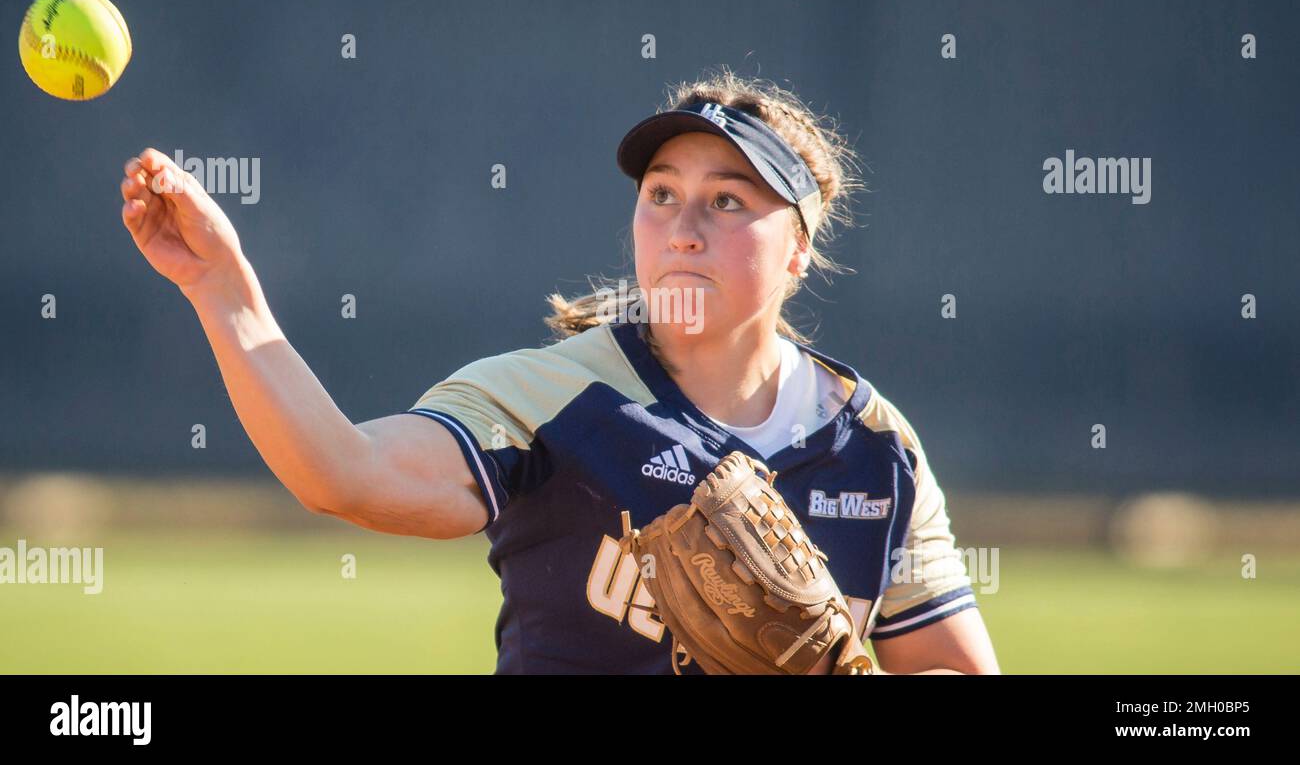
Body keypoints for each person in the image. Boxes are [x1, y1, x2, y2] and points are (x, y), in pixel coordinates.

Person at [118, 68, 999, 675]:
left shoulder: (874, 445)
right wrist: (220, 285)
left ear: (799, 248)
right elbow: (345, 471)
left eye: (728, 199)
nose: (684, 226)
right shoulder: (554, 396)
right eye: (661, 194)